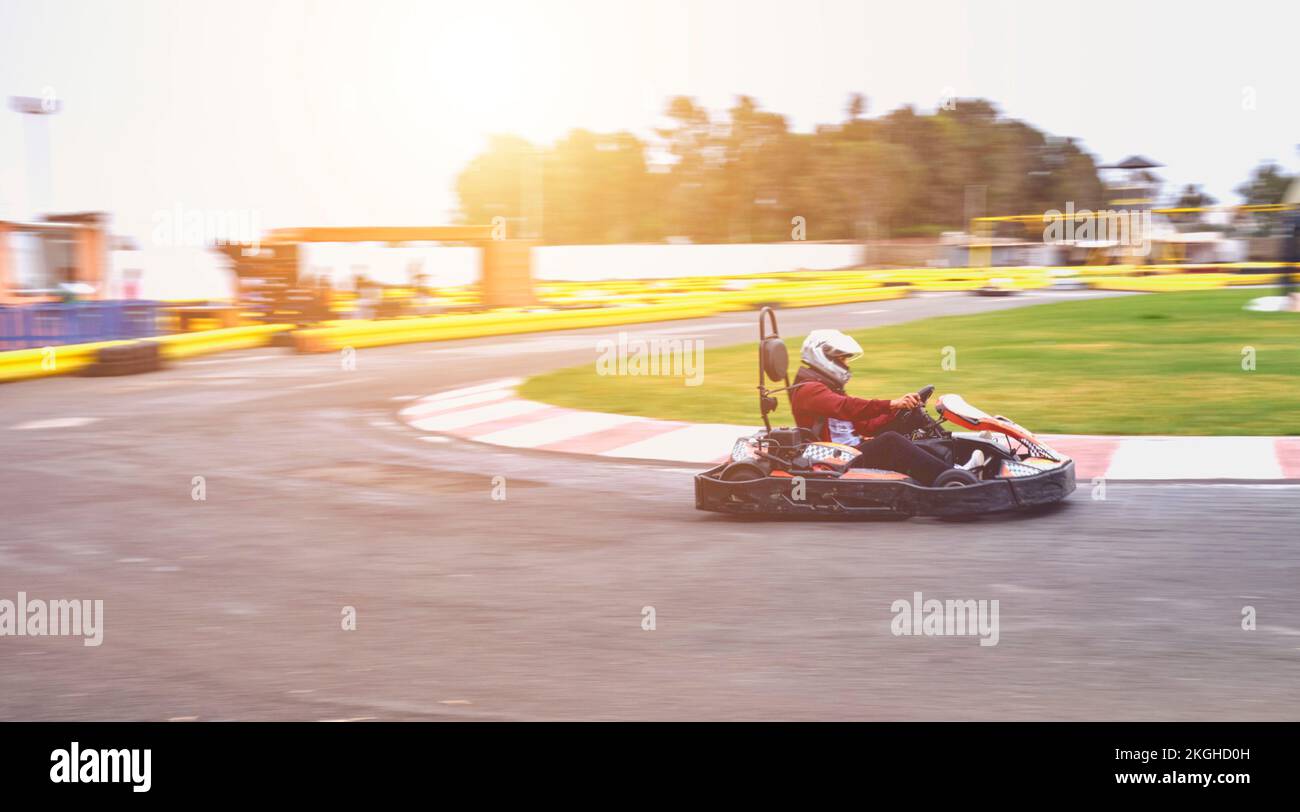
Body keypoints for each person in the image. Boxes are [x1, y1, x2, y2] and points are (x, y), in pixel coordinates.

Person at [789, 329, 979, 486]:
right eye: (842, 359)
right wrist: (891, 404)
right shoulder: (808, 390)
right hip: (835, 458)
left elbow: (864, 425)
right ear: (823, 357)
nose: (845, 364)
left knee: (912, 428)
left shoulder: (827, 386)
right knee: (891, 442)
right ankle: (953, 480)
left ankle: (959, 465)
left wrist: (898, 413)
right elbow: (846, 407)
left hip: (849, 451)